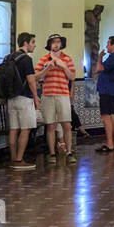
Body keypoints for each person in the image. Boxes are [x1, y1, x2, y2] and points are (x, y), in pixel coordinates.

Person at [36, 34, 78, 165]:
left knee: (66, 124)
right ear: (49, 44)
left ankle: (69, 152)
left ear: (61, 44)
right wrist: (47, 68)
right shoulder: (43, 59)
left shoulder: (67, 59)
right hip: (48, 95)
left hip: (63, 95)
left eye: (58, 42)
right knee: (51, 125)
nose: (56, 44)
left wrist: (63, 66)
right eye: (53, 42)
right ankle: (52, 153)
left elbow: (72, 77)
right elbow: (37, 77)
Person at [8, 32, 41, 170]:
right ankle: (20, 160)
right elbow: (30, 79)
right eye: (33, 42)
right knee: (25, 129)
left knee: (14, 129)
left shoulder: (9, 57)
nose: (34, 45)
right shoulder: (26, 59)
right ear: (26, 43)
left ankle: (13, 159)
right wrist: (35, 97)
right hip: (24, 98)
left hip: (11, 98)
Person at [95, 35, 114, 153]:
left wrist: (99, 57)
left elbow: (99, 68)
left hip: (108, 90)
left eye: (108, 43)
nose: (106, 46)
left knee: (106, 117)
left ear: (113, 45)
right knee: (112, 116)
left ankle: (109, 144)